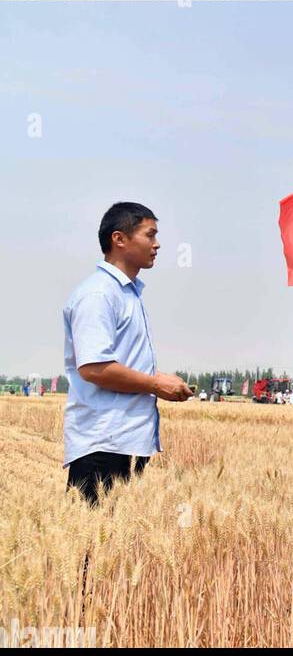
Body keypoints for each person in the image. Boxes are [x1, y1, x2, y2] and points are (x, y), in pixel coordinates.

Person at [62, 202, 192, 506]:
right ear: (119, 239)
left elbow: (116, 364)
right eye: (150, 235)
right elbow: (94, 368)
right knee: (91, 547)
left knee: (116, 549)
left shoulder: (127, 292)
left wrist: (157, 379)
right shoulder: (98, 294)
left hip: (125, 443)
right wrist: (155, 385)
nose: (157, 244)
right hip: (103, 445)